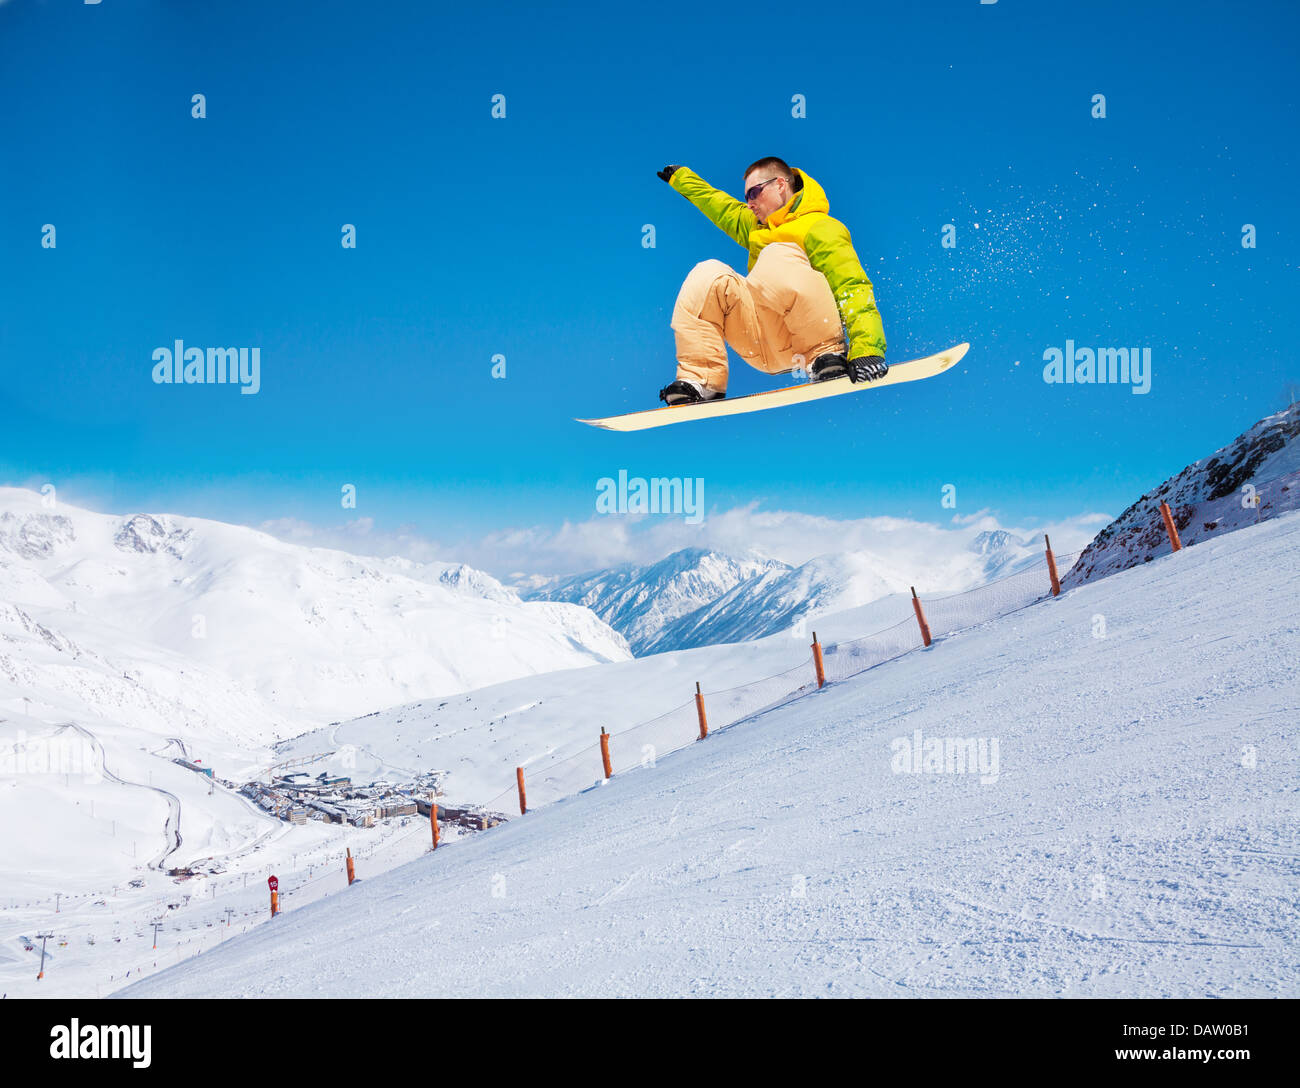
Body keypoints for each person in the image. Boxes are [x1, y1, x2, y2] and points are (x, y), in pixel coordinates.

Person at [657, 157, 888, 405]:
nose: (750, 204)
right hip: (760, 340)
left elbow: (851, 286)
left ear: (780, 184)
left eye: (754, 193)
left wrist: (867, 349)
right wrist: (681, 178)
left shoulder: (820, 227)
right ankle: (703, 381)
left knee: (777, 254)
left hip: (810, 339)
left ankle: (825, 355)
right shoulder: (756, 226)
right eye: (746, 197)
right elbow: (720, 205)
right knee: (708, 273)